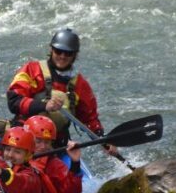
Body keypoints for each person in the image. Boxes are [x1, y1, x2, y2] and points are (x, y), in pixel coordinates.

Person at [6, 27, 118, 156]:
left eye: (68, 53)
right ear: (51, 50)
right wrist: (44, 105)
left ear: (75, 55)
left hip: (55, 143)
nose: (62, 56)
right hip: (23, 137)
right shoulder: (31, 70)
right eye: (58, 51)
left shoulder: (80, 84)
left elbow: (90, 119)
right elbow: (14, 101)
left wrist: (103, 140)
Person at [23, 115, 83, 193]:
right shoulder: (14, 153)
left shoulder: (54, 165)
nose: (43, 147)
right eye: (38, 141)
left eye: (47, 142)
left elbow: (70, 192)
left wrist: (75, 163)